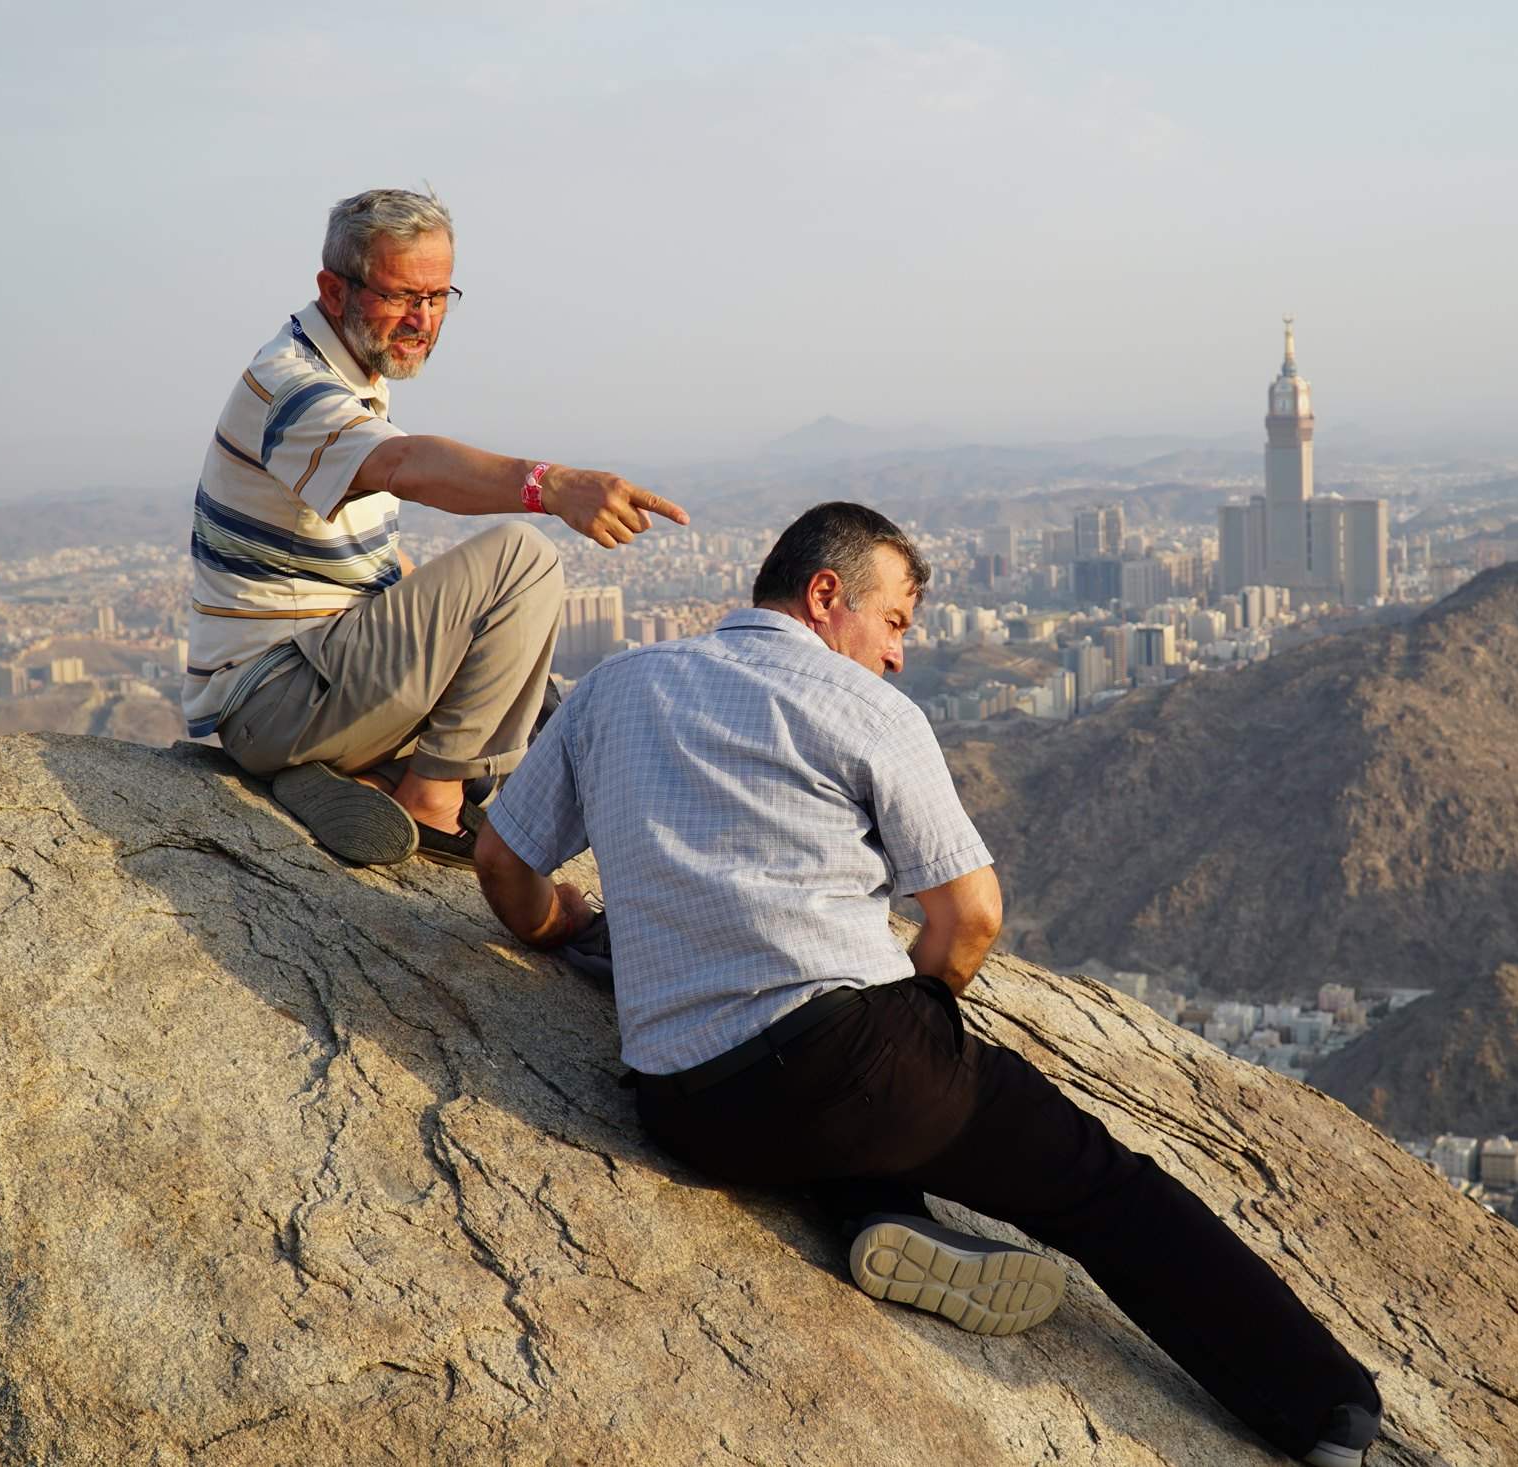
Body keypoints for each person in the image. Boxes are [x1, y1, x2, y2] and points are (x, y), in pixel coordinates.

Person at [472, 501, 1385, 1466]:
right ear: (827, 596)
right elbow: (971, 917)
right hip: (848, 1060)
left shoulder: (616, 684)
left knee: (834, 1113)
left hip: (685, 1108)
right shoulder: (866, 709)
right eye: (896, 620)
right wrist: (919, 1016)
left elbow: (500, 862)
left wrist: (559, 922)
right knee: (1101, 1188)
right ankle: (1330, 1410)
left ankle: (880, 1214)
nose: (901, 653)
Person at [187, 187, 687, 867]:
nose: (421, 320)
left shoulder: (350, 368)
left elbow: (371, 571)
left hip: (317, 683)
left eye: (437, 297)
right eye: (400, 297)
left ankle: (356, 777)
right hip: (275, 696)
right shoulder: (294, 385)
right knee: (523, 561)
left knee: (545, 711)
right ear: (334, 290)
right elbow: (406, 462)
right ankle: (430, 797)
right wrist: (552, 486)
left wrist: (490, 660)